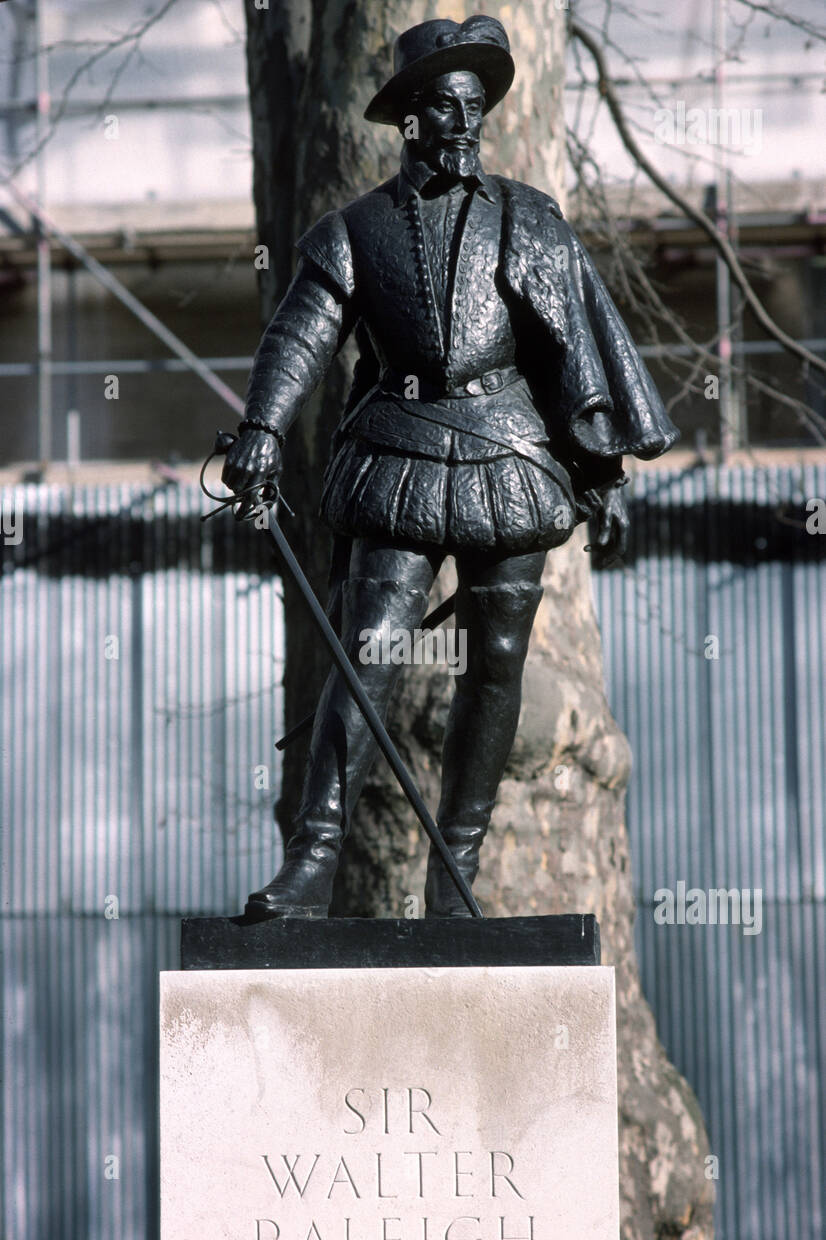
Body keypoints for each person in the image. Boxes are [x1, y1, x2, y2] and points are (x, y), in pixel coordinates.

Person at [221, 15, 678, 921]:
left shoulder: (530, 217)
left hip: (511, 457)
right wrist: (264, 427)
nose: (464, 124)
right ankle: (311, 860)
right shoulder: (354, 230)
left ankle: (455, 870)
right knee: (366, 658)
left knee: (498, 660)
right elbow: (303, 334)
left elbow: (570, 349)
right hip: (397, 453)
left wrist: (605, 475)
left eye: (474, 107)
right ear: (409, 120)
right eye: (444, 107)